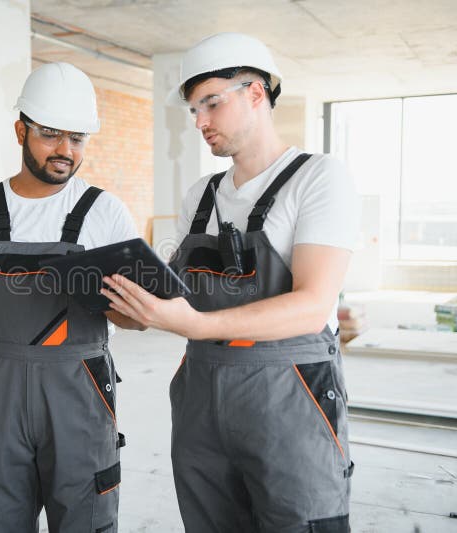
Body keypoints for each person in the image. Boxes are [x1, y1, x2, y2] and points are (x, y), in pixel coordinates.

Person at [102, 33, 359, 533]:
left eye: (211, 104)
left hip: (289, 397)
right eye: (194, 109)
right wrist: (123, 304)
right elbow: (168, 296)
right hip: (201, 397)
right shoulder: (201, 196)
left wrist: (194, 324)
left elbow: (311, 305)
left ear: (256, 93)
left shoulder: (319, 178)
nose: (200, 122)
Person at [0, 62, 143, 533]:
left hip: (79, 390)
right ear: (20, 130)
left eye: (78, 138)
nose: (65, 151)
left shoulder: (105, 212)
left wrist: (120, 300)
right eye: (50, 134)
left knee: (85, 517)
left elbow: (138, 320)